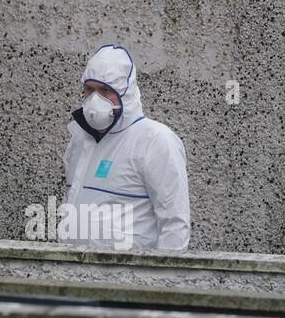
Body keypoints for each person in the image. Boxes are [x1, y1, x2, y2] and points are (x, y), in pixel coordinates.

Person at [62, 44, 190, 250]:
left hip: (128, 278)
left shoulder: (156, 141)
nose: (96, 99)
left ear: (126, 93)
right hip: (73, 275)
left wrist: (161, 279)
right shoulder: (79, 140)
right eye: (89, 89)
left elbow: (175, 225)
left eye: (105, 90)